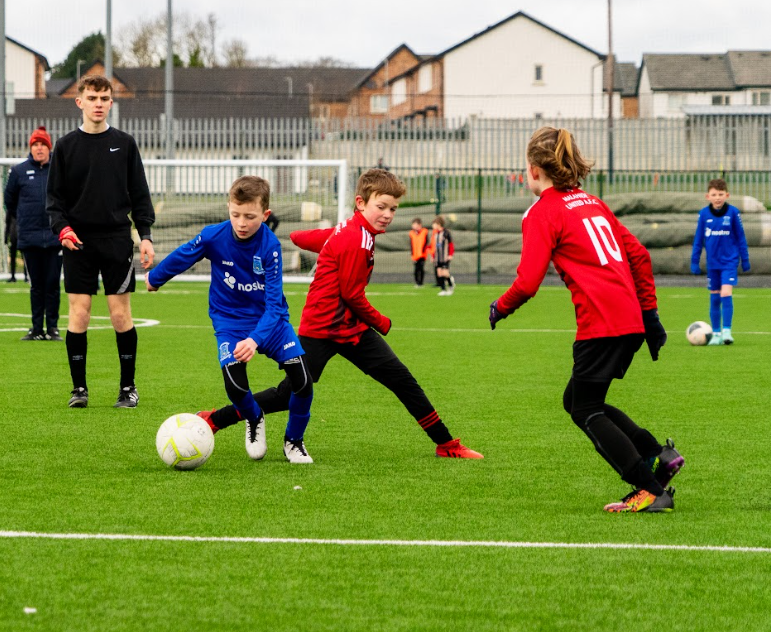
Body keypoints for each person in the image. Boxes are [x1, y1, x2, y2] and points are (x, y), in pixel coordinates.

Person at [197, 168, 483, 460]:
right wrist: (382, 322)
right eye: (380, 207)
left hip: (351, 330)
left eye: (392, 209)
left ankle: (446, 444)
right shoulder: (356, 239)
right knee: (289, 393)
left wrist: (315, 238)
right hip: (321, 330)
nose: (387, 214)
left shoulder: (354, 231)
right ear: (361, 203)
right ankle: (215, 418)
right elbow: (352, 295)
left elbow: (306, 237)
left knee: (401, 379)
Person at [489, 127, 684, 514]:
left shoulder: (542, 212)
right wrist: (650, 316)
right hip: (628, 319)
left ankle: (648, 488)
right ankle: (655, 453)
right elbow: (640, 256)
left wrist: (500, 307)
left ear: (532, 170)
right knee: (578, 400)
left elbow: (527, 282)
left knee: (585, 409)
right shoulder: (592, 202)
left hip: (602, 323)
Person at [146, 176, 314, 463]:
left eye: (250, 216)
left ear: (265, 214)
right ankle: (253, 417)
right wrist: (155, 277)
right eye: (235, 214)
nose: (242, 222)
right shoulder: (214, 236)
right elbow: (184, 255)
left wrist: (255, 339)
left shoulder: (270, 247)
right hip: (229, 321)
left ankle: (294, 441)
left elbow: (274, 306)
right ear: (228, 208)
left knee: (303, 382)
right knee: (236, 387)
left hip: (269, 322)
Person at [46, 74, 156, 409]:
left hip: (116, 239)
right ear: (79, 102)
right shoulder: (65, 146)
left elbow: (139, 193)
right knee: (78, 314)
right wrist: (62, 229)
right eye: (92, 98)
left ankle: (128, 388)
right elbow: (54, 199)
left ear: (111, 103)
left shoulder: (125, 143)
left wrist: (145, 235)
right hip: (77, 241)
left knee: (120, 314)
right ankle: (78, 390)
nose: (98, 104)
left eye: (104, 98)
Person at [5, 126, 63, 341]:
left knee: (52, 285)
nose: (39, 148)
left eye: (43, 145)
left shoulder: (59, 169)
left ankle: (53, 328)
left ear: (49, 147)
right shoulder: (19, 171)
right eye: (35, 145)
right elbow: (9, 201)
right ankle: (36, 328)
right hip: (29, 237)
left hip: (55, 237)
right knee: (36, 285)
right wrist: (24, 220)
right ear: (31, 148)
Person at [690, 178, 750, 346]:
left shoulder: (733, 213)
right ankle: (715, 334)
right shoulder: (703, 214)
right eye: (714, 194)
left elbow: (740, 237)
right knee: (714, 298)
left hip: (729, 261)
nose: (717, 198)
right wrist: (695, 261)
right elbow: (698, 239)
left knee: (725, 293)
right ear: (707, 196)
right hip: (713, 263)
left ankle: (727, 332)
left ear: (727, 195)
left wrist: (744, 259)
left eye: (721, 194)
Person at [429, 215, 455, 295]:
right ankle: (443, 290)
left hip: (445, 257)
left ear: (438, 224)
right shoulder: (435, 234)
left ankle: (451, 285)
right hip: (437, 257)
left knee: (445, 273)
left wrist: (450, 254)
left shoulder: (446, 233)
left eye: (434, 224)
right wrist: (432, 256)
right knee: (439, 273)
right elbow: (434, 247)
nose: (433, 226)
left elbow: (451, 244)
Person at [408, 218, 428, 287]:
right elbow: (411, 245)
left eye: (415, 225)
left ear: (419, 225)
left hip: (422, 254)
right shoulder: (412, 233)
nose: (414, 226)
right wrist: (412, 254)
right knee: (416, 269)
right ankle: (417, 282)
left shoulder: (424, 232)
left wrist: (423, 252)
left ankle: (421, 282)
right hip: (415, 255)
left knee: (421, 268)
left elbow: (426, 243)